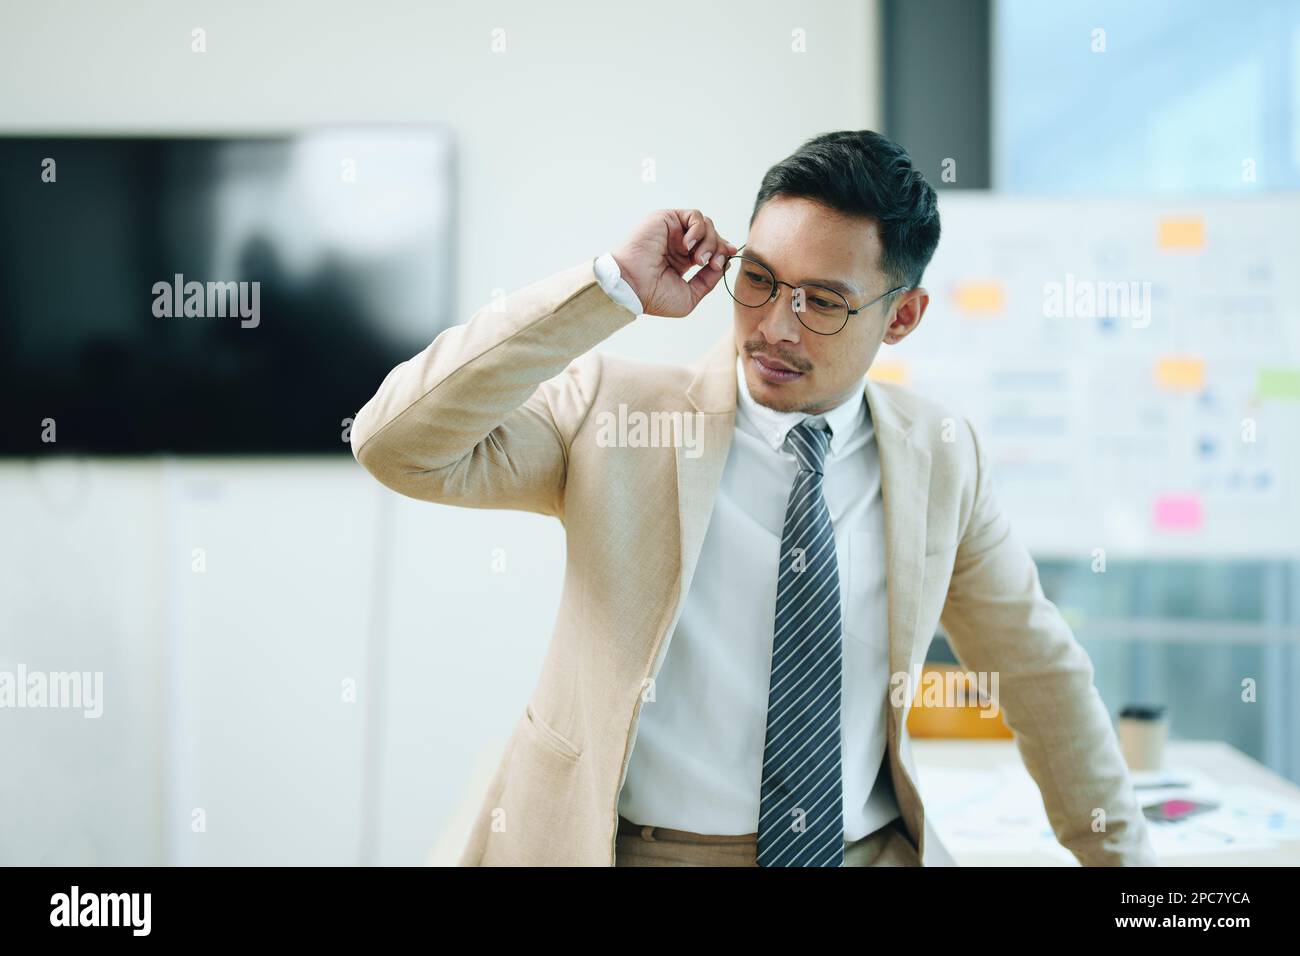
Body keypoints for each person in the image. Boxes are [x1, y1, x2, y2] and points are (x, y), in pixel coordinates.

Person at [349, 130, 1157, 867]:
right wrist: (614, 288)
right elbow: (395, 444)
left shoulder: (943, 457)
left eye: (825, 301)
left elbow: (1039, 671)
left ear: (902, 317)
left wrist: (1129, 873)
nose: (777, 325)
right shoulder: (614, 414)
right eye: (760, 281)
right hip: (637, 851)